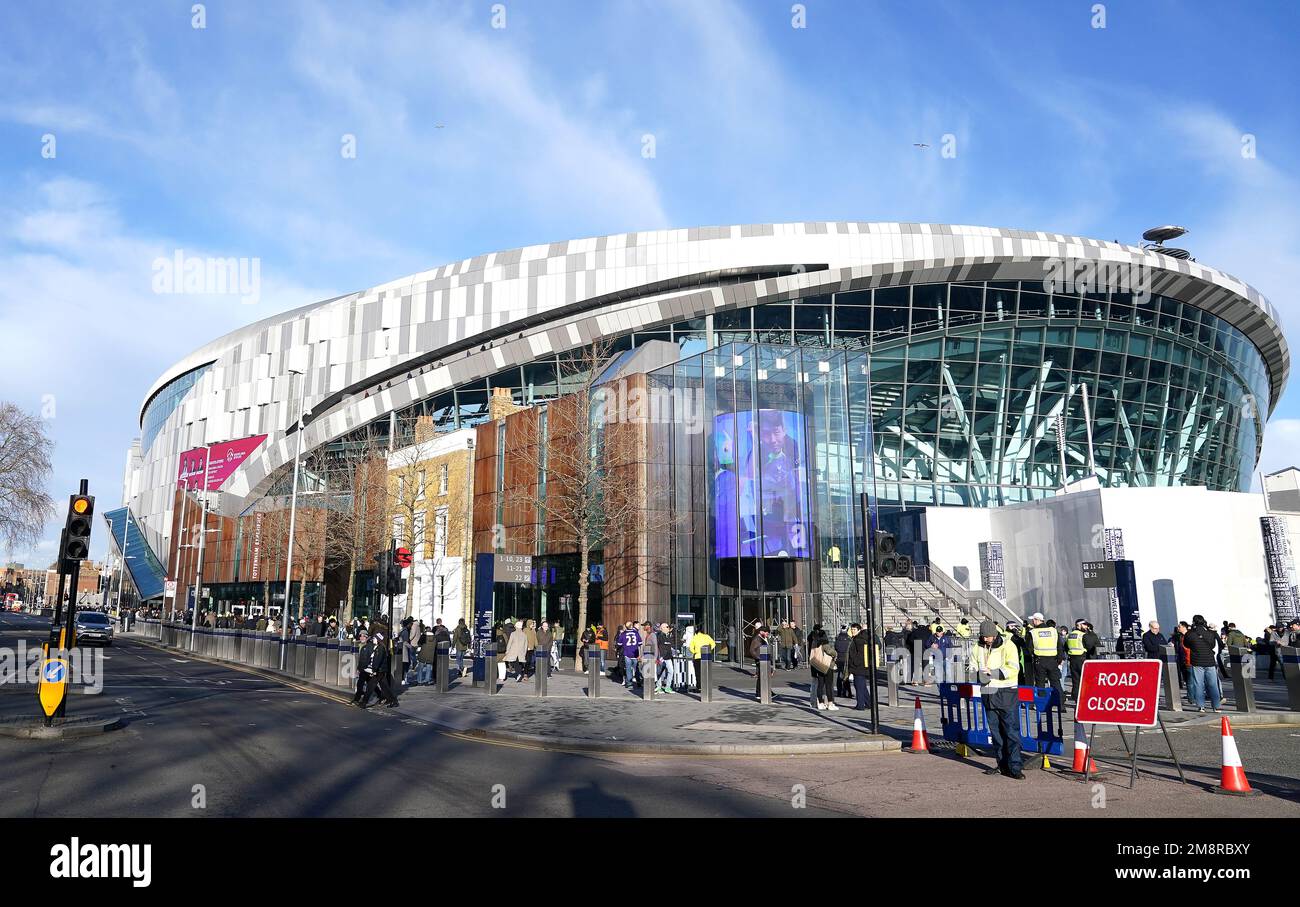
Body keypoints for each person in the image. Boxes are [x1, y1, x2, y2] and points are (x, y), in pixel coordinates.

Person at [970, 619, 1023, 778]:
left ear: (994, 634)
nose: (986, 639)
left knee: (1011, 733)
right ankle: (1002, 765)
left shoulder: (1008, 645)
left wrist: (992, 673)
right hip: (988, 693)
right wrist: (975, 673)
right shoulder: (977, 647)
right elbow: (971, 665)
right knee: (996, 734)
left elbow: (1014, 668)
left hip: (1006, 691)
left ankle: (1015, 768)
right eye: (984, 636)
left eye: (989, 636)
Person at [1184, 614, 1223, 713]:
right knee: (1213, 684)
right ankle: (1216, 706)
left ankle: (1201, 706)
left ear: (1194, 622)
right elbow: (1213, 645)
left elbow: (1186, 644)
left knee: (1198, 684)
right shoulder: (1210, 633)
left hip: (1197, 661)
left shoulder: (1190, 633)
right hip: (1209, 661)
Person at [1028, 615, 1064, 703]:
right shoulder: (1053, 631)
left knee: (1040, 683)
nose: (1032, 622)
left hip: (1039, 661)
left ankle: (1042, 703)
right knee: (1055, 682)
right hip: (1053, 661)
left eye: (1033, 620)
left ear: (1036, 620)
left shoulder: (1033, 632)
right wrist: (1059, 659)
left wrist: (1033, 657)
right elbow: (1059, 645)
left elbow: (1029, 648)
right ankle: (1061, 703)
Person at [364, 631, 399, 708]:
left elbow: (378, 660)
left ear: (378, 639)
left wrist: (374, 670)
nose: (373, 639)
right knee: (385, 687)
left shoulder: (380, 649)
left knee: (370, 686)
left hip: (379, 671)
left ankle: (364, 703)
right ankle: (393, 701)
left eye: (374, 638)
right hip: (380, 670)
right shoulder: (377, 647)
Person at [807, 625, 838, 711]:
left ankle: (819, 703)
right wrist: (835, 654)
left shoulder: (813, 643)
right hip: (826, 666)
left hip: (817, 665)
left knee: (819, 685)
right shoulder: (824, 644)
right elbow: (830, 651)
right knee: (829, 685)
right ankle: (830, 703)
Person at [845, 621, 872, 710]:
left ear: (859, 630)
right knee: (862, 686)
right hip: (862, 666)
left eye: (854, 629)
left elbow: (859, 654)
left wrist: (854, 662)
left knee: (859, 686)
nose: (852, 631)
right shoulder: (859, 638)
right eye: (852, 629)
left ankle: (860, 705)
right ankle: (868, 703)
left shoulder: (858, 640)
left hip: (859, 667)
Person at [688, 625, 716, 694]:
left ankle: (699, 687)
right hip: (706, 657)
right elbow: (713, 644)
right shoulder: (707, 636)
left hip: (697, 656)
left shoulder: (695, 637)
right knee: (706, 672)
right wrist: (708, 650)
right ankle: (706, 686)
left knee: (698, 673)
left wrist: (695, 652)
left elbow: (690, 647)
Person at [749, 624, 775, 698]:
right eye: (766, 632)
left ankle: (768, 692)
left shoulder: (763, 638)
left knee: (764, 676)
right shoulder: (757, 639)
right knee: (761, 677)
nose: (768, 634)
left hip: (765, 659)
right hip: (761, 660)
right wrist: (758, 658)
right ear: (761, 632)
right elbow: (752, 650)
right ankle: (759, 693)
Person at [350, 629, 373, 706]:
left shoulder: (369, 646)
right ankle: (381, 696)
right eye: (360, 636)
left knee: (362, 684)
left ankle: (357, 699)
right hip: (363, 668)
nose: (362, 637)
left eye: (364, 636)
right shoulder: (360, 645)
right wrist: (358, 668)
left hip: (367, 668)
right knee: (369, 684)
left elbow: (369, 658)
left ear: (367, 637)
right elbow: (360, 658)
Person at [834, 626, 851, 697]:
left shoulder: (837, 639)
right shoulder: (849, 639)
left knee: (839, 675)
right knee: (846, 675)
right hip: (846, 659)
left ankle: (839, 691)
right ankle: (847, 692)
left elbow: (836, 648)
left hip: (839, 659)